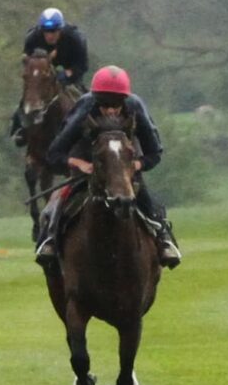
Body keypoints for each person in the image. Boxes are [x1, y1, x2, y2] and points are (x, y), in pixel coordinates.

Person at [35, 64, 183, 272]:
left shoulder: (135, 107)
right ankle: (48, 239)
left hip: (124, 165)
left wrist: (134, 165)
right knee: (60, 199)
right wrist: (80, 164)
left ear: (125, 100)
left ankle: (164, 238)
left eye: (116, 104)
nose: (111, 110)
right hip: (87, 161)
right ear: (96, 99)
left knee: (146, 199)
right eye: (105, 104)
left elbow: (154, 153)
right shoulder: (85, 108)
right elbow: (55, 153)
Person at [10, 7, 91, 142]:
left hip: (70, 70)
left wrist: (67, 74)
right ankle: (19, 129)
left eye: (53, 31)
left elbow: (83, 66)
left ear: (60, 30)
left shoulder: (75, 38)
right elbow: (28, 61)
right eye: (46, 31)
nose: (50, 35)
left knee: (83, 98)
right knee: (29, 96)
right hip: (43, 72)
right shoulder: (32, 38)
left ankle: (89, 130)